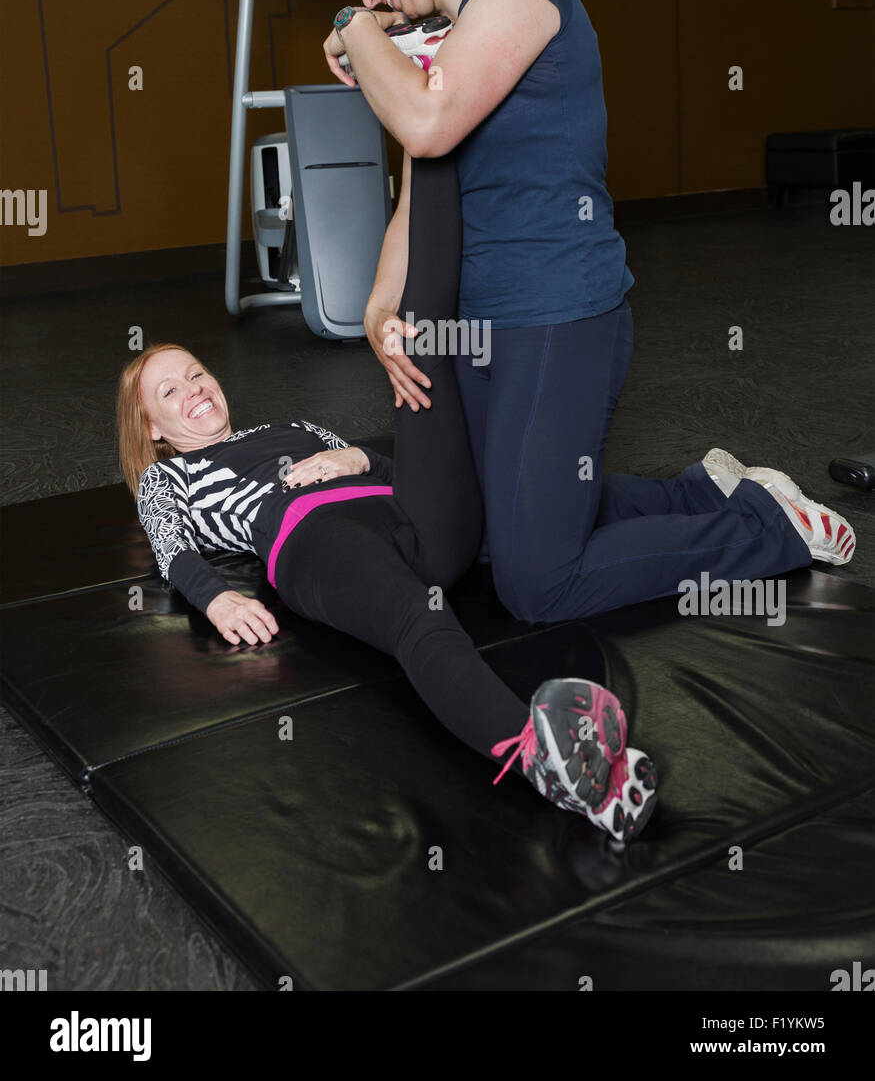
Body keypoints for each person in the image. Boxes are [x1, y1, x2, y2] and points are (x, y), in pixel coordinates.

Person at [325, 0, 856, 631]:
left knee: (537, 584)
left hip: (557, 314)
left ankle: (769, 530)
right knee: (475, 537)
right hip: (477, 318)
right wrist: (379, 310)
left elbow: (425, 121)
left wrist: (351, 29)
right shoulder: (442, 37)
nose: (368, 0)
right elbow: (421, 183)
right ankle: (704, 490)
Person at [118, 152, 659, 844]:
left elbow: (387, 462)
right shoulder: (170, 479)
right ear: (153, 432)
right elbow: (170, 547)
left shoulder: (290, 426)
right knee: (418, 626)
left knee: (425, 359)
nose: (195, 387)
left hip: (410, 508)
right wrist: (217, 597)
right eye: (171, 392)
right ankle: (540, 759)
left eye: (194, 372)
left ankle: (426, 152)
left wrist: (353, 454)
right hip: (317, 540)